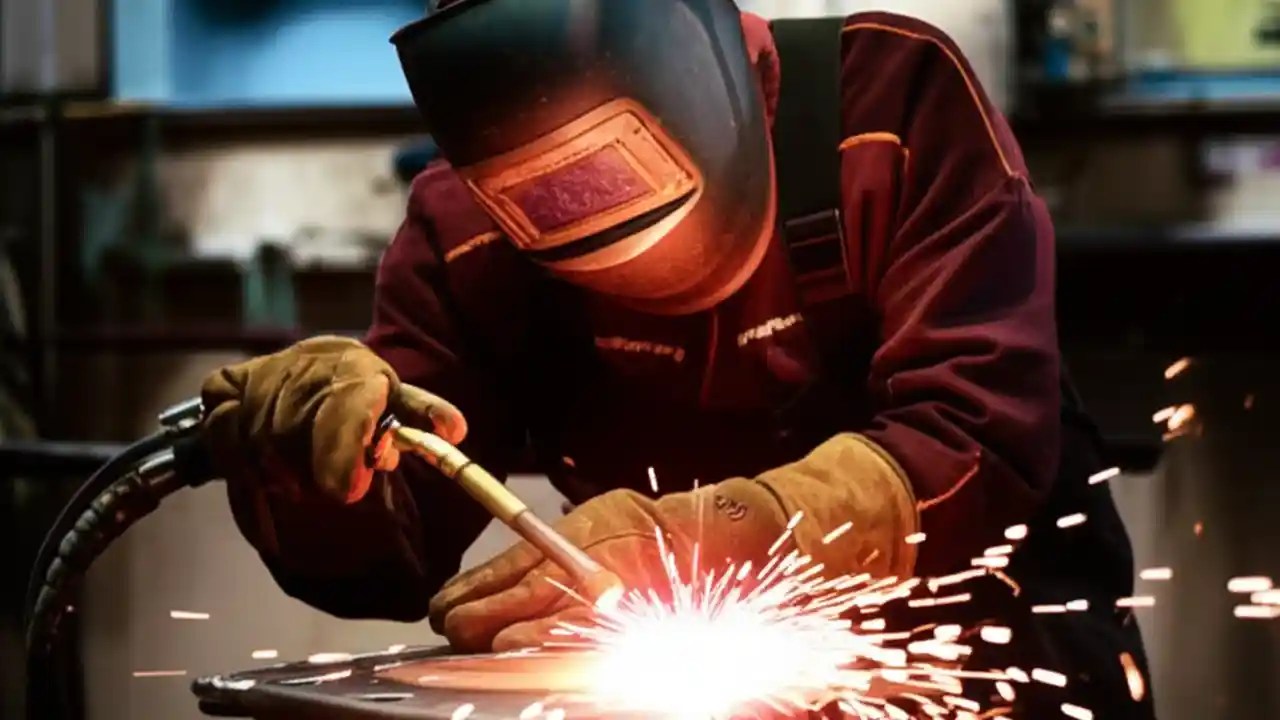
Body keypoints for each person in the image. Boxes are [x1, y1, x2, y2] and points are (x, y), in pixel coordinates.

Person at [201, 1, 1154, 715]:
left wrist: (718, 534)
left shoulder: (893, 103)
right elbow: (389, 559)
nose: (600, 228)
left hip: (983, 670)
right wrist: (312, 476)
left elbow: (979, 439)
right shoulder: (467, 229)